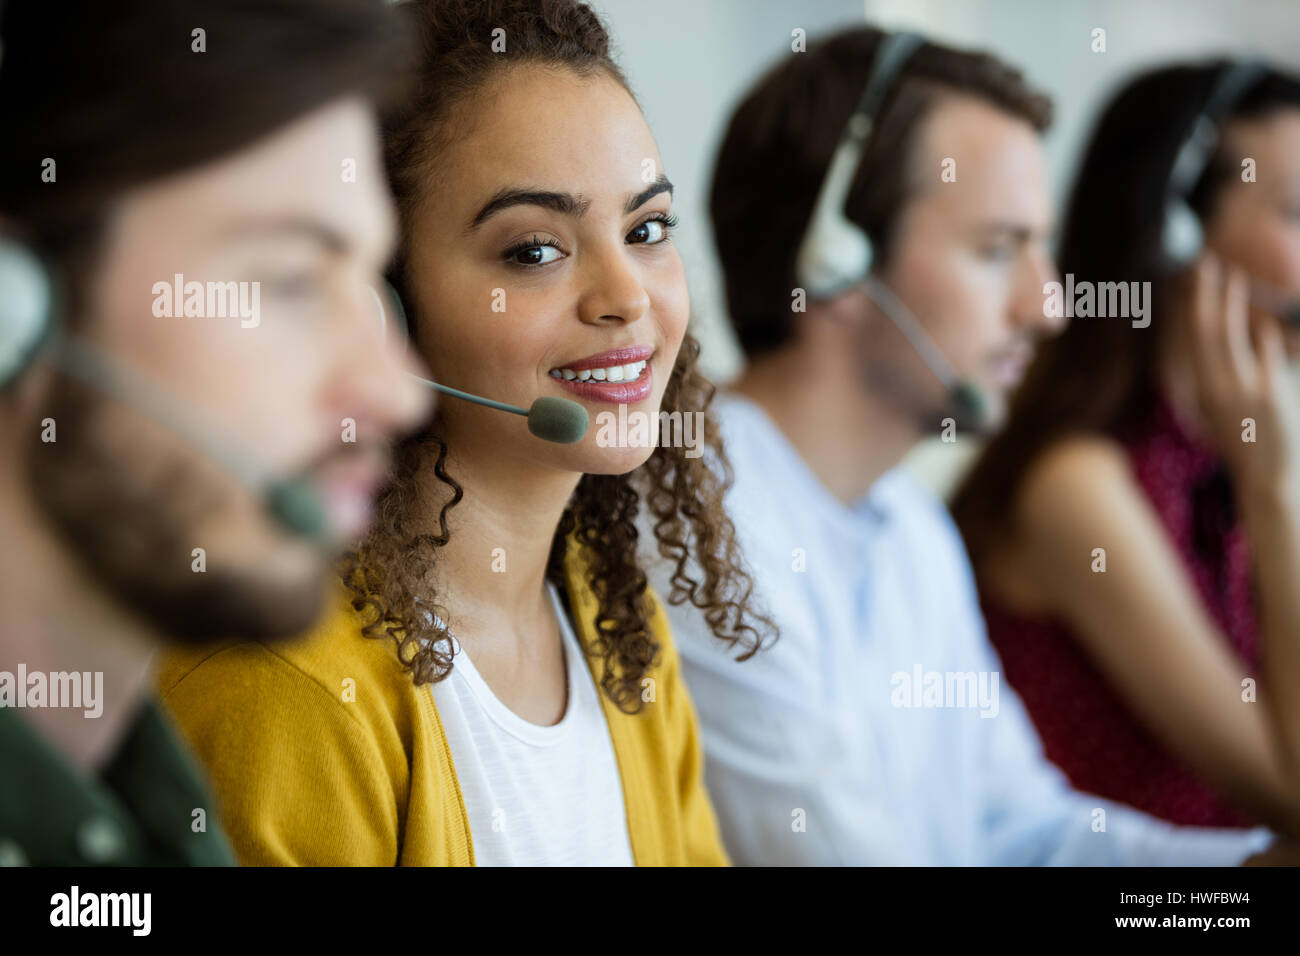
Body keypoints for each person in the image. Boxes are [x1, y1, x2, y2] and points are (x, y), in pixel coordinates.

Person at [642, 26, 1280, 864]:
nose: (1047, 307)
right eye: (997, 249)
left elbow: (1030, 834)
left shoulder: (909, 525)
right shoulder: (698, 518)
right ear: (836, 261)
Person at [157, 0, 773, 867]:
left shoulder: (612, 619)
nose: (626, 295)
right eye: (533, 251)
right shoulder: (285, 689)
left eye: (646, 230)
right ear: (379, 303)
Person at [0, 0, 431, 866]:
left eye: (371, 285)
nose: (397, 395)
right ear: (14, 305)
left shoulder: (157, 812)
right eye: (291, 281)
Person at [952, 61, 1300, 834]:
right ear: (1175, 242)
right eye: (1296, 210)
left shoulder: (1213, 466)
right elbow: (1292, 793)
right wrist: (1276, 490)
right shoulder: (1077, 486)